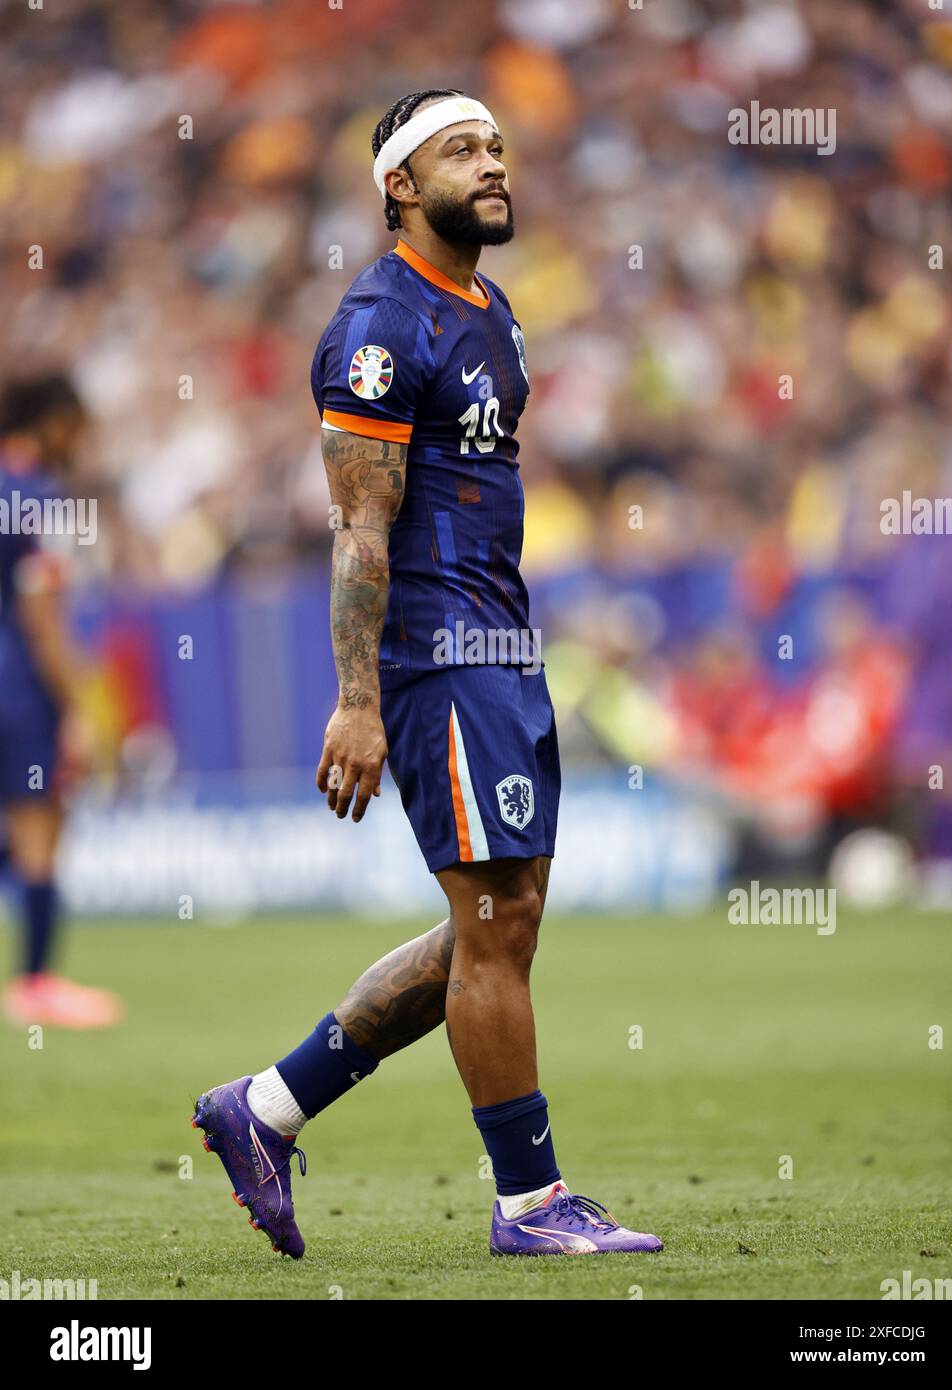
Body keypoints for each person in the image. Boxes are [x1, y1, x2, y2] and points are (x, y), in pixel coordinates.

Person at [193, 90, 662, 1259]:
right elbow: (359, 529)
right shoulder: (377, 325)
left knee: (498, 924)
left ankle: (264, 1108)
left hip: (505, 644)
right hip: (436, 654)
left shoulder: (492, 307)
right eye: (463, 150)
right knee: (495, 922)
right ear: (400, 184)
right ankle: (531, 1203)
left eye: (499, 146)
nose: (494, 163)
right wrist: (359, 698)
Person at [0, 373, 122, 1030]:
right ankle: (36, 984)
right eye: (77, 426)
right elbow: (41, 615)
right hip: (18, 686)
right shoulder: (38, 499)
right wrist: (75, 707)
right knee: (39, 829)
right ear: (52, 420)